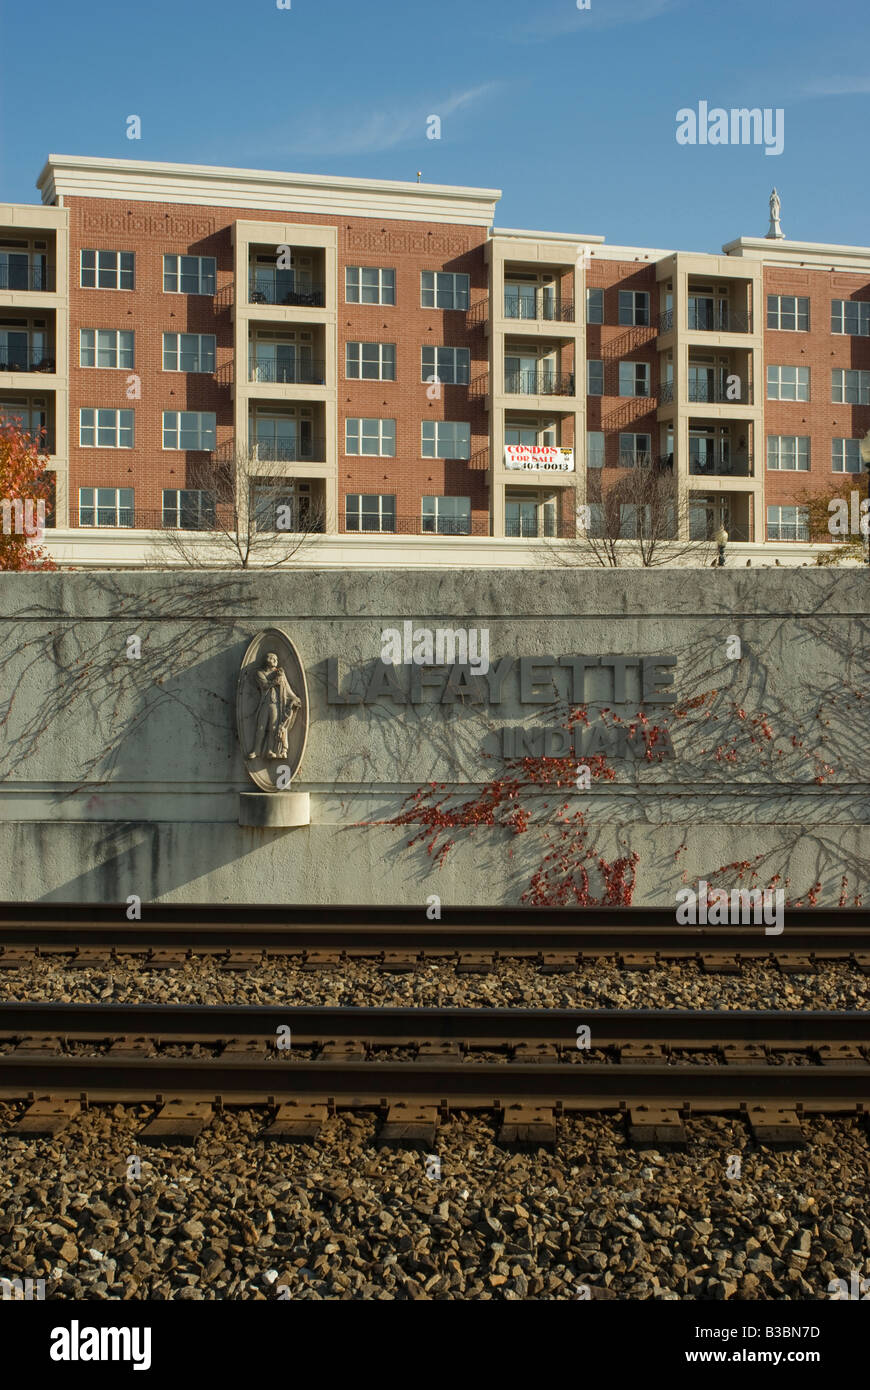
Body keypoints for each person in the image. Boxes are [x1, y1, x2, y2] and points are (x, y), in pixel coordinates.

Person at [248, 652, 301, 760]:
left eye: (275, 658)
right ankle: (256, 750)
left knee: (273, 728)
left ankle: (270, 750)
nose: (274, 660)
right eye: (272, 658)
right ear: (267, 660)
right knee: (261, 727)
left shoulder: (280, 674)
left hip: (275, 704)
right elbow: (265, 685)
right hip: (265, 703)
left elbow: (287, 689)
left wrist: (294, 698)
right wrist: (275, 681)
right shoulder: (260, 673)